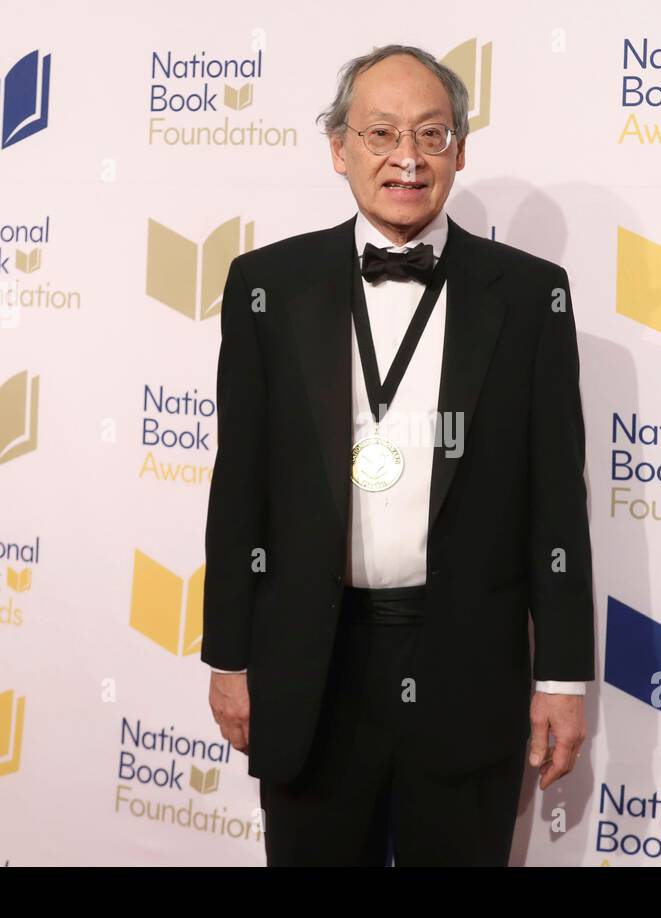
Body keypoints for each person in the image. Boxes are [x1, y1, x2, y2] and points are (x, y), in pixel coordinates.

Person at [202, 44, 594, 866]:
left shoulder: (528, 296)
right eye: (380, 133)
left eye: (431, 134)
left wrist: (561, 679)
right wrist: (229, 657)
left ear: (460, 149)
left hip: (467, 664)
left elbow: (557, 498)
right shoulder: (265, 284)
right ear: (338, 148)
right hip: (312, 665)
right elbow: (238, 485)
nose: (406, 158)